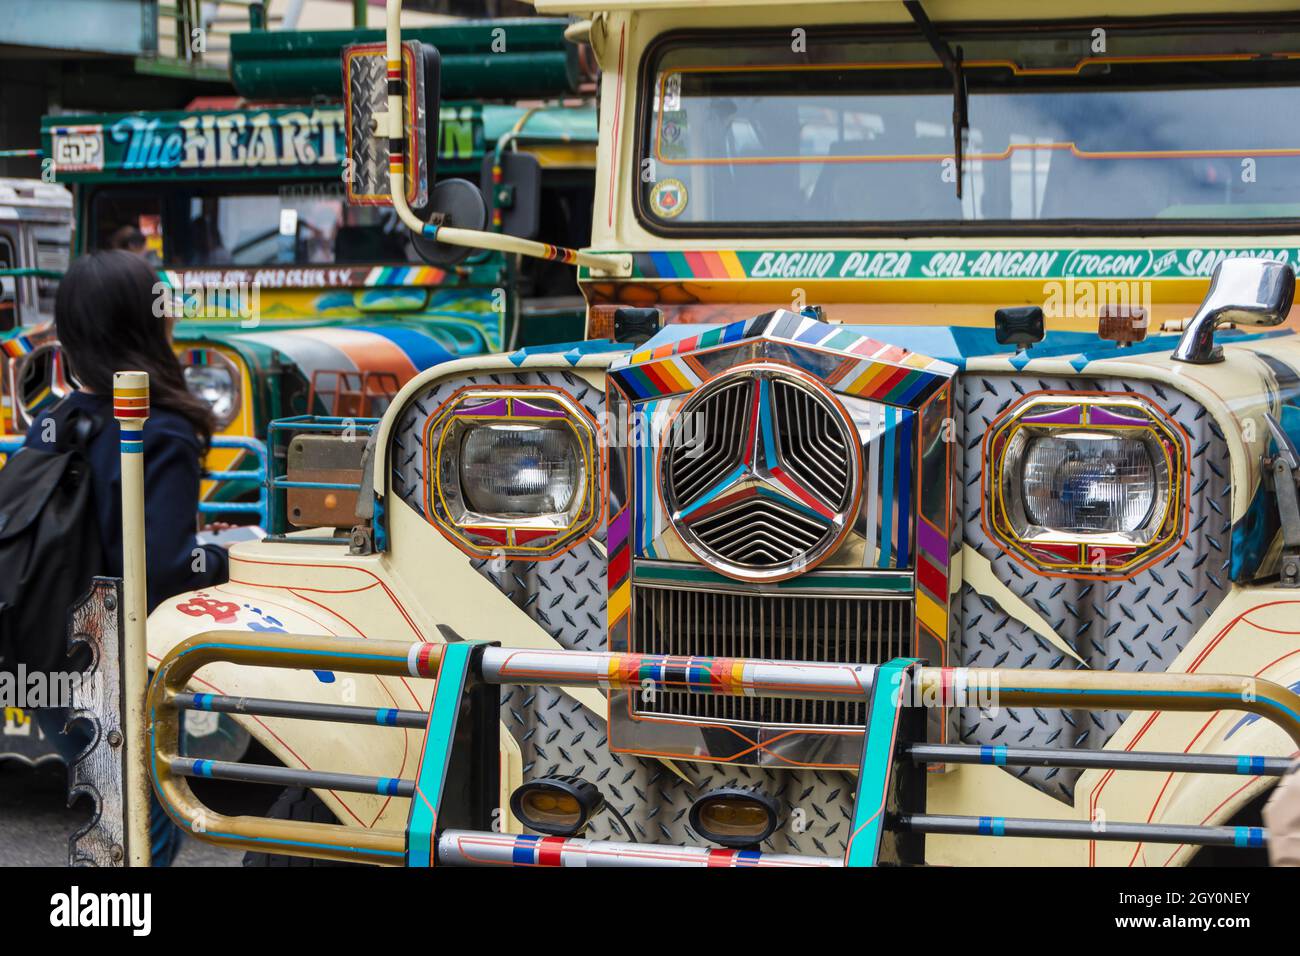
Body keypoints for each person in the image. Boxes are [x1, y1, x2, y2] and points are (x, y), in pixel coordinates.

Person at [25, 249, 230, 865]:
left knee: (114, 821)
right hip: (114, 664)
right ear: (148, 325)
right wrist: (224, 559)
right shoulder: (157, 430)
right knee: (141, 832)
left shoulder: (55, 420)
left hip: (45, 652)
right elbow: (159, 569)